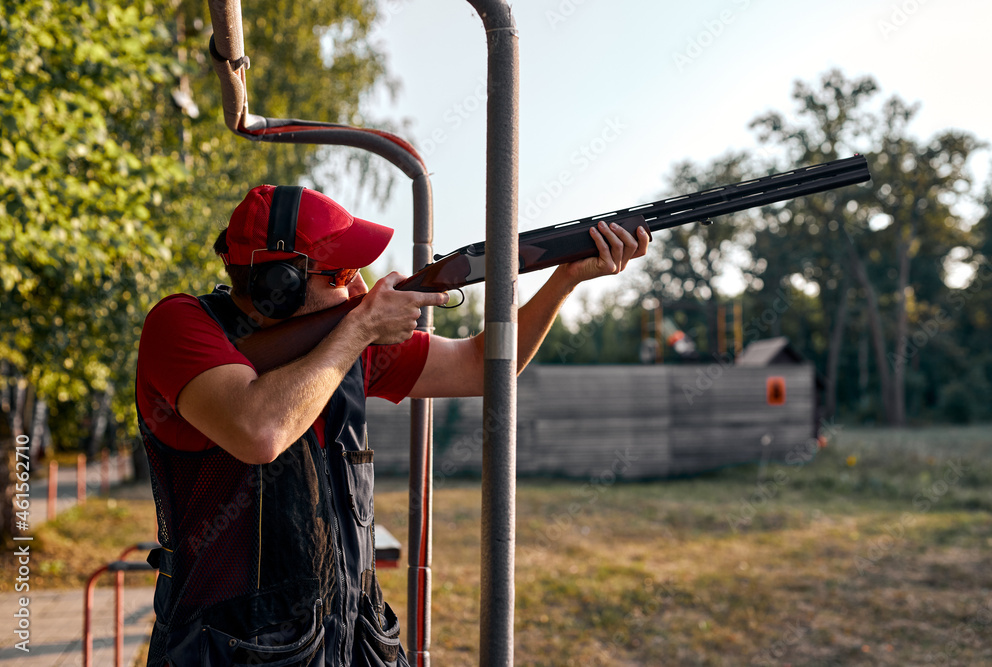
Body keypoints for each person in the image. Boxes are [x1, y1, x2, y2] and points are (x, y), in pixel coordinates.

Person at [135, 184, 647, 666]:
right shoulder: (180, 324)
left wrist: (565, 277)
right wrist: (359, 328)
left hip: (352, 643)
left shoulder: (345, 344)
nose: (361, 284)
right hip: (231, 651)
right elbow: (258, 431)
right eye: (340, 275)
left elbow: (484, 367)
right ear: (279, 286)